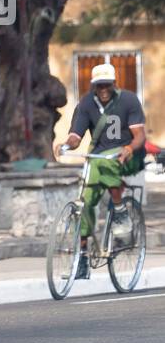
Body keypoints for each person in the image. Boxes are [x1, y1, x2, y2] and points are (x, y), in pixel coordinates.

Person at [55, 63, 147, 278]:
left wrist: (129, 148)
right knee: (85, 201)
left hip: (128, 153)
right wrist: (66, 145)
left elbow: (139, 135)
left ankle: (120, 211)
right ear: (93, 86)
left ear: (114, 84)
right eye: (99, 86)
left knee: (106, 162)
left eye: (107, 85)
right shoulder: (87, 103)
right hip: (98, 157)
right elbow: (76, 136)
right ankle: (83, 258)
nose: (103, 90)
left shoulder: (128, 100)